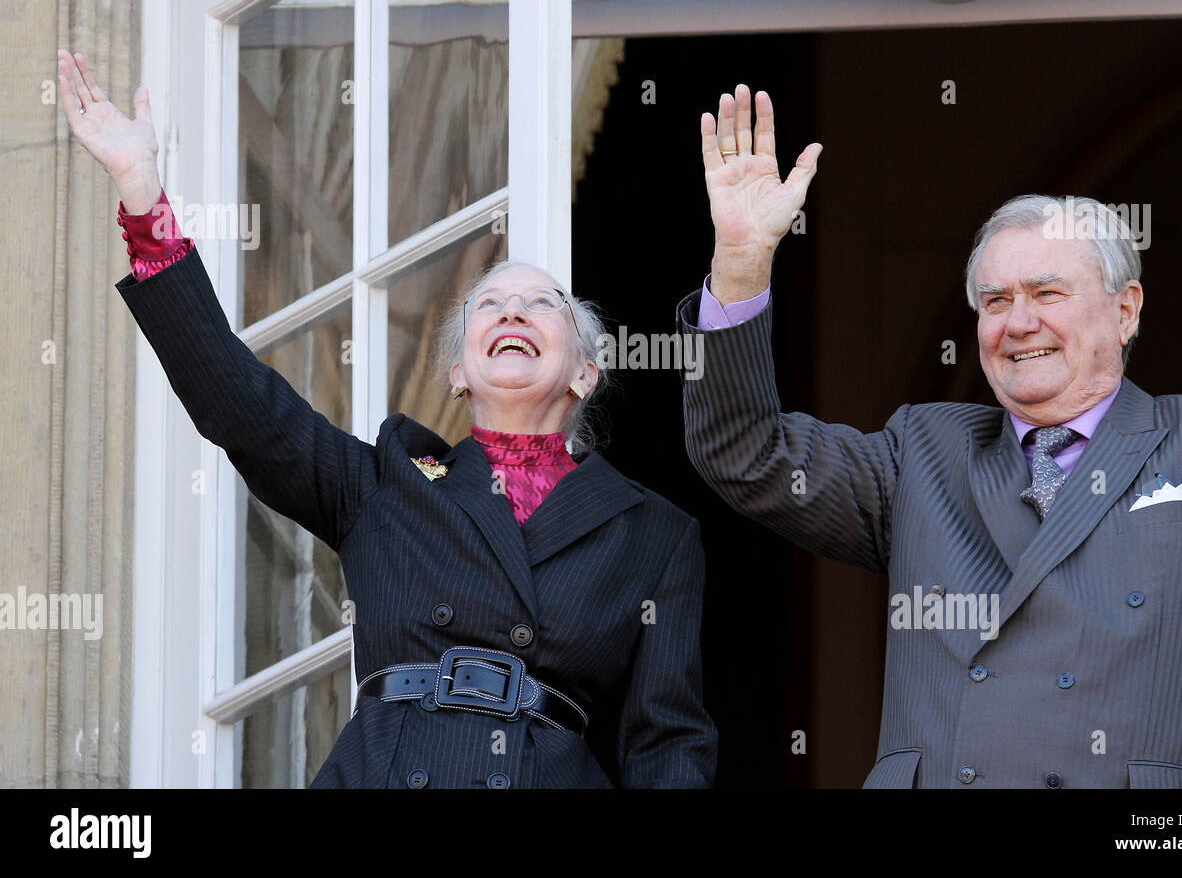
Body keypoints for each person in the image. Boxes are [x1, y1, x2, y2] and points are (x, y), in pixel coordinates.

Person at [57, 49, 716, 788]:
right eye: (489, 305)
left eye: (542, 303)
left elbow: (668, 749)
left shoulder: (653, 534)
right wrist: (142, 196)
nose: (511, 310)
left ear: (586, 371)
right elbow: (238, 402)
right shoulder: (386, 483)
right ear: (458, 375)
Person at [676, 82, 1182, 789]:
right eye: (996, 301)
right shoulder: (926, 453)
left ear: (1125, 311)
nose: (1019, 322)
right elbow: (746, 453)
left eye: (1047, 293)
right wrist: (740, 262)